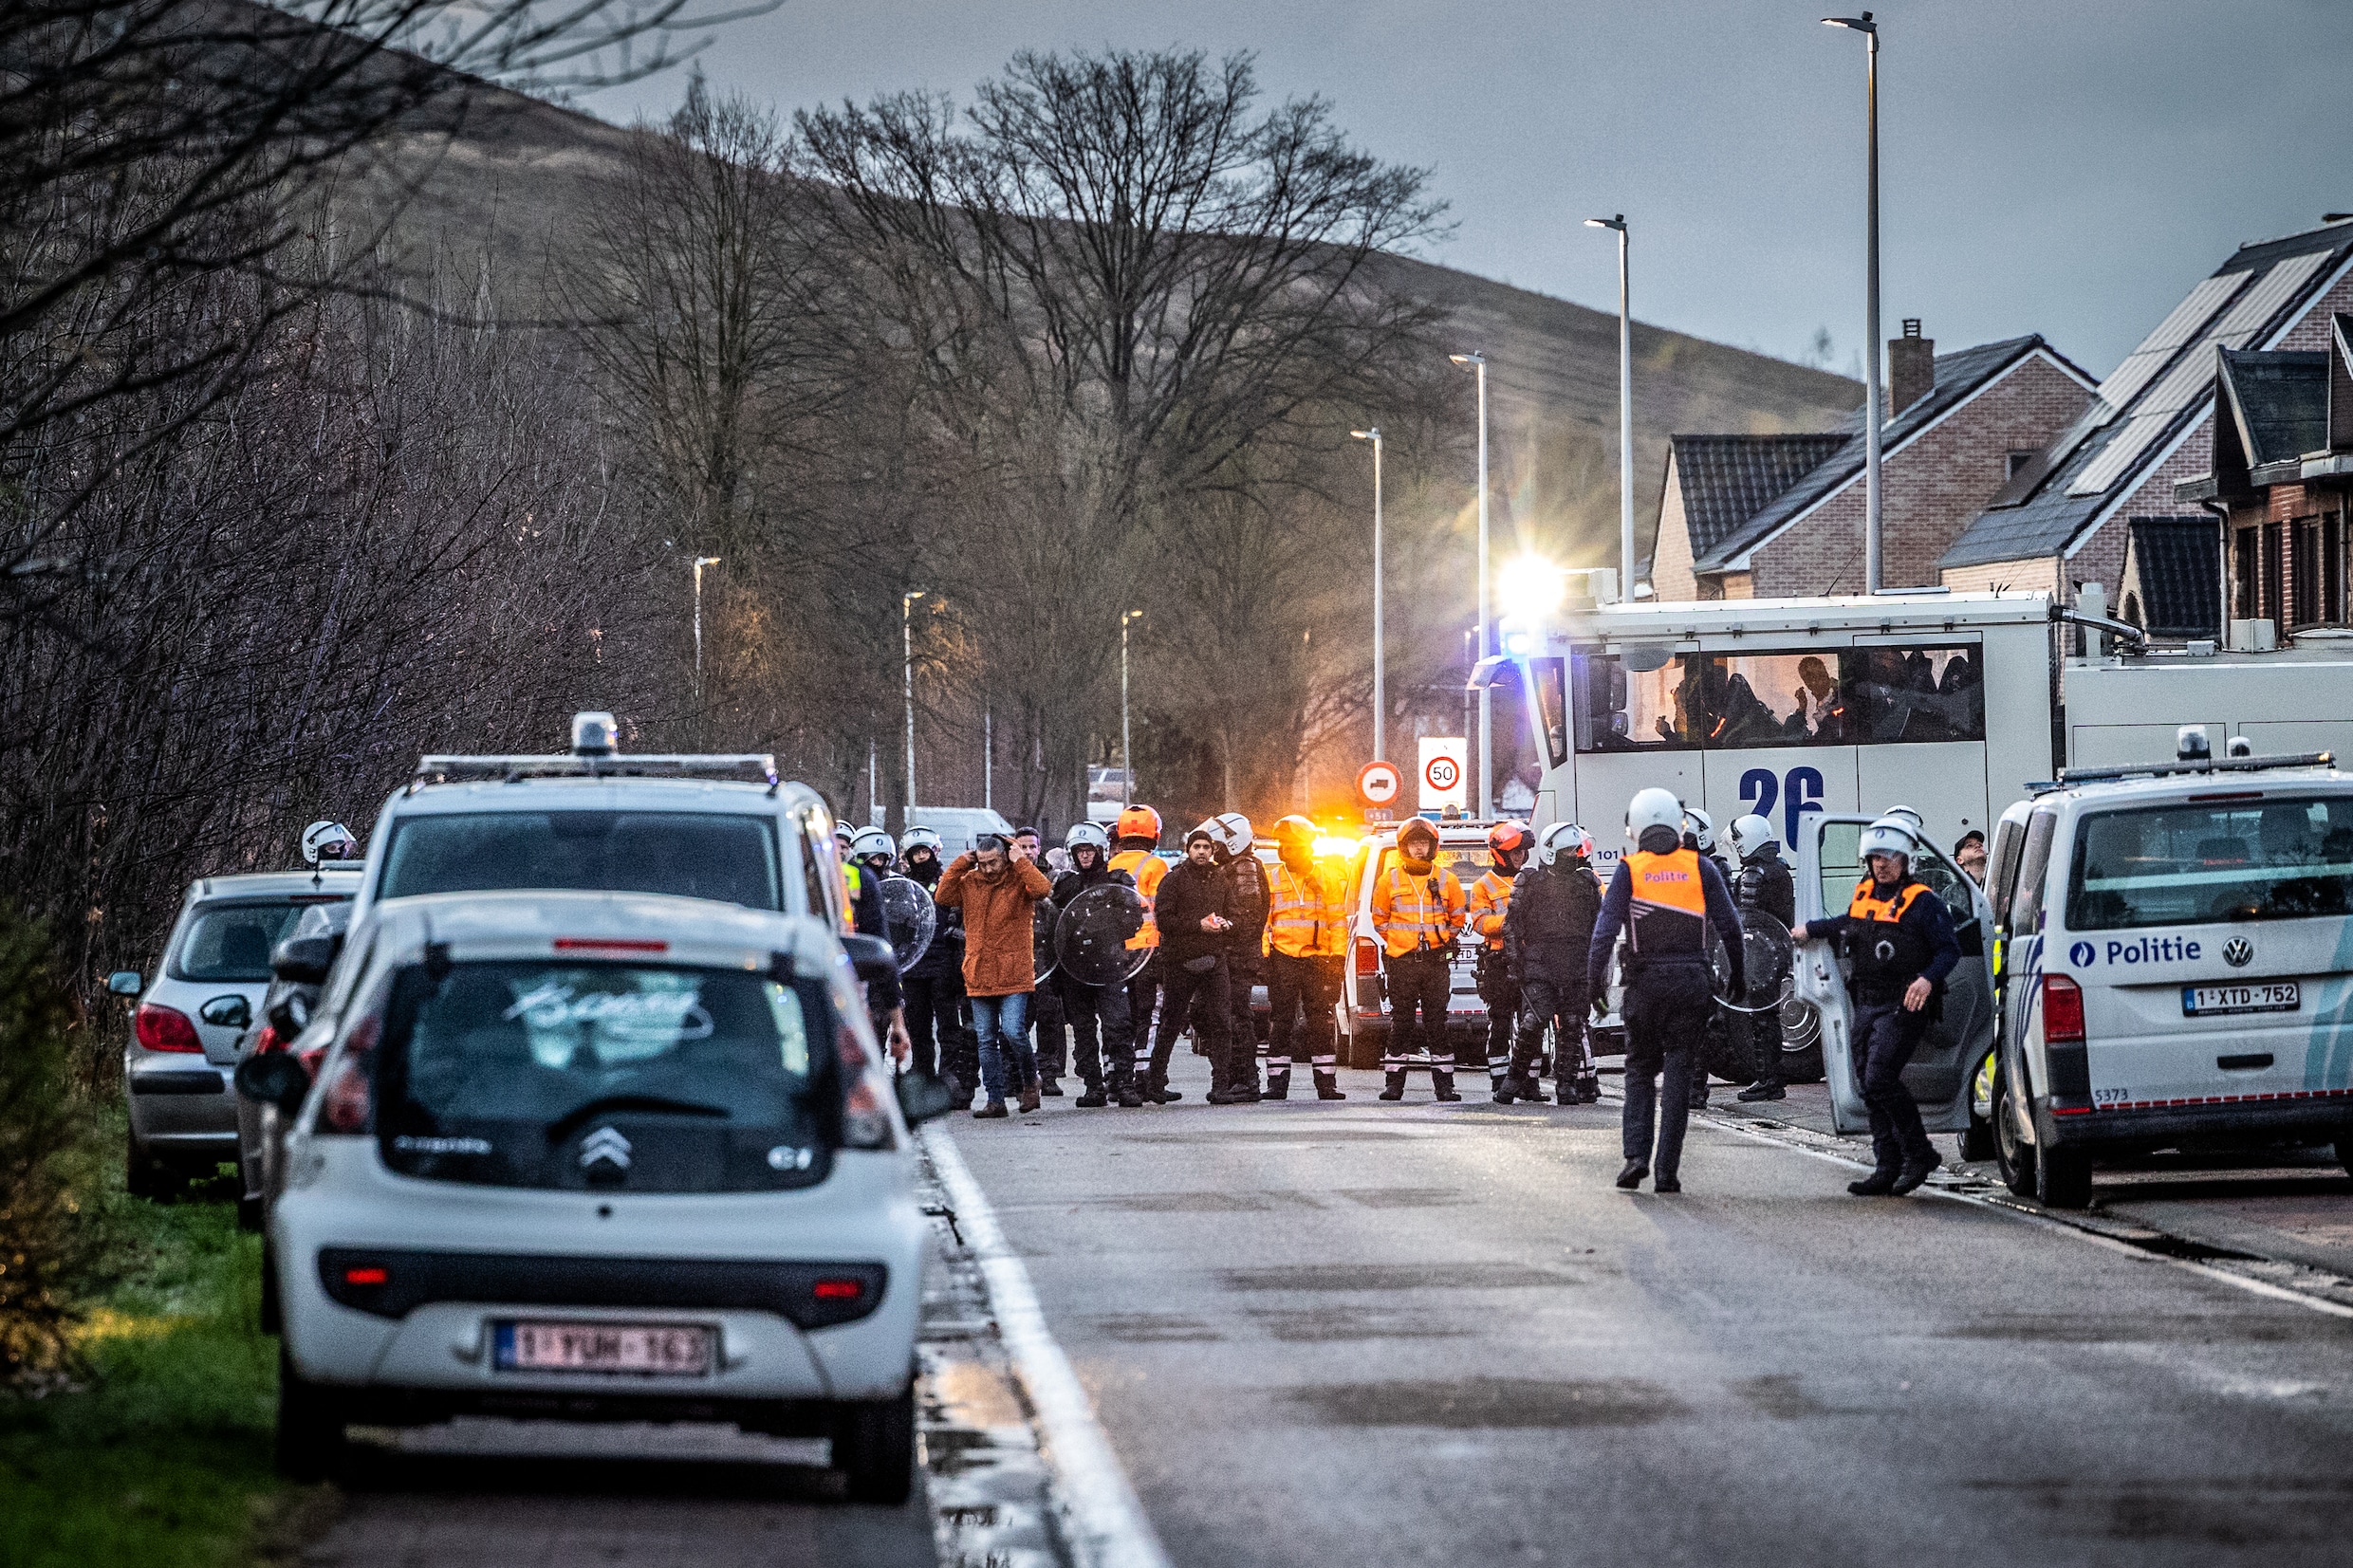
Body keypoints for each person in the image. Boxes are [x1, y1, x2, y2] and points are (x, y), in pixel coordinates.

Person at [1790, 815, 1960, 1196]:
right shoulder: (1865, 892)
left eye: (1888, 856)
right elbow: (1847, 922)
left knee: (1879, 1079)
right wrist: (1810, 930)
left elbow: (1949, 950)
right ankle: (1887, 1165)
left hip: (1904, 1005)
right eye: (1875, 857)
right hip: (1865, 1003)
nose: (1881, 864)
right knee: (1869, 1085)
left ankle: (1920, 1153)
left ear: (1906, 860)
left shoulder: (1925, 902)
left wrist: (1927, 978)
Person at [1589, 787, 1745, 1193]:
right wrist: (1739, 975)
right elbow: (1730, 926)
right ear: (1679, 825)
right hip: (1692, 984)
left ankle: (1635, 1156)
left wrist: (1595, 984)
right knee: (1679, 1072)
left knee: (1640, 1069)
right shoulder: (1701, 868)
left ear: (1635, 827)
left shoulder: (1629, 869)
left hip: (1645, 984)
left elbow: (1604, 932)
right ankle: (1667, 1171)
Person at [936, 830, 1054, 1118]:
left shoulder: (1019, 880)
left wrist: (1021, 859)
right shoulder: (970, 881)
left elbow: (1042, 889)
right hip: (979, 972)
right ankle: (995, 1099)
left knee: (1014, 1031)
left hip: (1014, 971)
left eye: (993, 862)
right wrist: (961, 864)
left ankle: (1029, 1080)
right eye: (982, 862)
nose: (987, 868)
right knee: (985, 1038)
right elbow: (942, 896)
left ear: (1005, 858)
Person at [1504, 821, 1603, 1105]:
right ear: (1551, 852)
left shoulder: (1586, 882)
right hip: (1540, 964)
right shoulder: (1530, 881)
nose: (1573, 855)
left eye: (1575, 849)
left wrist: (1597, 968)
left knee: (1572, 1024)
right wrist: (1515, 964)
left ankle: (1567, 1085)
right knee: (1532, 1023)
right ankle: (1513, 1082)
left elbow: (1599, 926)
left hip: (1576, 964)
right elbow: (1511, 926)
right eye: (1567, 850)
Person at [1373, 817, 1468, 1102]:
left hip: (1436, 963)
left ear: (1432, 847)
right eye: (1413, 843)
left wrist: (1442, 943)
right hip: (1402, 962)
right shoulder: (1388, 880)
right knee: (1401, 1022)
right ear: (1404, 847)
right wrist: (1401, 943)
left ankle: (1445, 1086)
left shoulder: (1446, 880)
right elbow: (1379, 918)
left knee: (1437, 1023)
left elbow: (1458, 918)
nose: (1418, 849)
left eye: (1423, 843)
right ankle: (1394, 1084)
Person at [1051, 821, 1140, 1107]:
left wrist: (1105, 926)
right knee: (1083, 1029)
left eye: (1089, 850)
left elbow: (1133, 920)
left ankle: (1125, 1084)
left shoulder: (1118, 881)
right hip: (1075, 969)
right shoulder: (1065, 885)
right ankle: (1093, 1086)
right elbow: (1055, 924)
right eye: (1079, 851)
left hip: (1109, 964)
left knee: (1118, 1025)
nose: (1085, 856)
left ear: (1100, 850)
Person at [1261, 814, 1349, 1100]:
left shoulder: (1327, 878)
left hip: (1318, 961)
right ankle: (1276, 1084)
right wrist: (1265, 957)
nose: (1290, 852)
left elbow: (1337, 921)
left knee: (1320, 1023)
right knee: (1281, 1022)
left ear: (1308, 847)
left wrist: (1337, 959)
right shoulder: (1272, 878)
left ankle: (1326, 1084)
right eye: (1285, 846)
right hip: (1283, 959)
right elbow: (1264, 921)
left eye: (1295, 846)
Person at [1151, 825, 1238, 1102]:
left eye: (1206, 848)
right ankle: (1154, 1083)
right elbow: (1163, 921)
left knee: (1222, 1022)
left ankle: (1220, 1086)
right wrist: (1197, 926)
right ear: (1189, 850)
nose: (1201, 852)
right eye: (1196, 847)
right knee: (1171, 1021)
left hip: (1215, 961)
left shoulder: (1221, 879)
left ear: (1213, 851)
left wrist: (1227, 923)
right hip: (1180, 962)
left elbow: (1234, 913)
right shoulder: (1174, 880)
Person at [898, 826, 974, 1096]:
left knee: (948, 1024)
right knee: (917, 1024)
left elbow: (961, 917)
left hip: (942, 961)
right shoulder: (902, 886)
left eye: (924, 851)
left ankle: (949, 1074)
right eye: (916, 852)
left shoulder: (947, 881)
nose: (921, 857)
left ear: (933, 851)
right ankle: (922, 1072)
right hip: (913, 964)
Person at [1727, 814, 1797, 1104]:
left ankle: (1769, 1080)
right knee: (1766, 1017)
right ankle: (1769, 1078)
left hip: (1761, 953)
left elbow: (1745, 918)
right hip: (1776, 949)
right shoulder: (1779, 866)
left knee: (1762, 1018)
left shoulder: (1755, 873)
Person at [1108, 805, 1171, 1098]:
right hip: (1149, 950)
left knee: (1118, 1015)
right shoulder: (1156, 866)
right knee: (1149, 1013)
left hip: (1115, 953)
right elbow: (1164, 910)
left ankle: (1114, 1073)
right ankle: (1144, 1076)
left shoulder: (1109, 865)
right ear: (1154, 834)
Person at [1467, 821, 1532, 1101]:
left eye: (1523, 852)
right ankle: (1499, 1081)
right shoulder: (1484, 885)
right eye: (1515, 852)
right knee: (1501, 1022)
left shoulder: (1532, 879)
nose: (1520, 857)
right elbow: (1480, 923)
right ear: (1500, 853)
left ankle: (1531, 1084)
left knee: (1532, 1024)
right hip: (1499, 962)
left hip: (1530, 961)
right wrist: (1510, 921)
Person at [1208, 813, 1269, 1102]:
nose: (1212, 851)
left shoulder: (1244, 868)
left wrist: (1222, 932)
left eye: (1216, 845)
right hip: (1231, 956)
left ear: (1232, 843)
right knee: (1224, 1016)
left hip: (1237, 957)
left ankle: (1245, 1079)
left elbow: (1245, 917)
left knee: (1237, 1017)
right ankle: (1235, 1077)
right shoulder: (1233, 867)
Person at [1682, 807, 1733, 1110]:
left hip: (1710, 957)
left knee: (1702, 1025)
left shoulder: (1715, 868)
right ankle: (1689, 1087)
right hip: (1689, 956)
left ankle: (1696, 1089)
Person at [1013, 825, 1068, 1097]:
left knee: (1049, 1020)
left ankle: (1048, 1074)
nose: (1028, 852)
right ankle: (1016, 1074)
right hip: (1016, 960)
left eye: (1032, 846)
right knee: (1016, 1024)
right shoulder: (1007, 876)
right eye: (1023, 846)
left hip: (1047, 961)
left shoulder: (1054, 879)